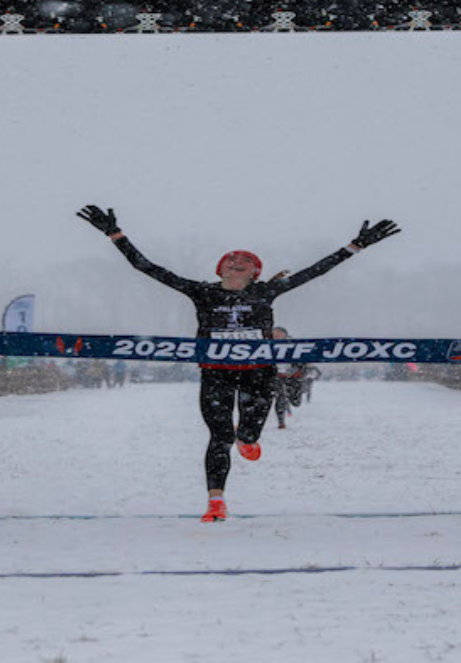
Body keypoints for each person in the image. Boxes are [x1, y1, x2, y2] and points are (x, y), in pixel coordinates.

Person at [77, 205, 400, 522]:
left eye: (246, 260)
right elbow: (147, 267)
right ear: (220, 269)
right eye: (232, 259)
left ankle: (247, 437)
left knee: (247, 435)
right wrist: (115, 235)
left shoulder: (266, 292)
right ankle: (216, 502)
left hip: (258, 376)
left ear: (254, 273)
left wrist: (355, 246)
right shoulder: (201, 293)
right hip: (216, 375)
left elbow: (316, 270)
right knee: (220, 438)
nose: (237, 261)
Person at [270, 327, 306, 429]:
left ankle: (294, 398)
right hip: (278, 377)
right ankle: (281, 421)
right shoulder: (267, 346)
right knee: (280, 398)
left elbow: (302, 363)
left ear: (285, 335)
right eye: (274, 334)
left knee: (296, 402)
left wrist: (293, 371)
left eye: (279, 334)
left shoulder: (293, 346)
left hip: (294, 377)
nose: (276, 336)